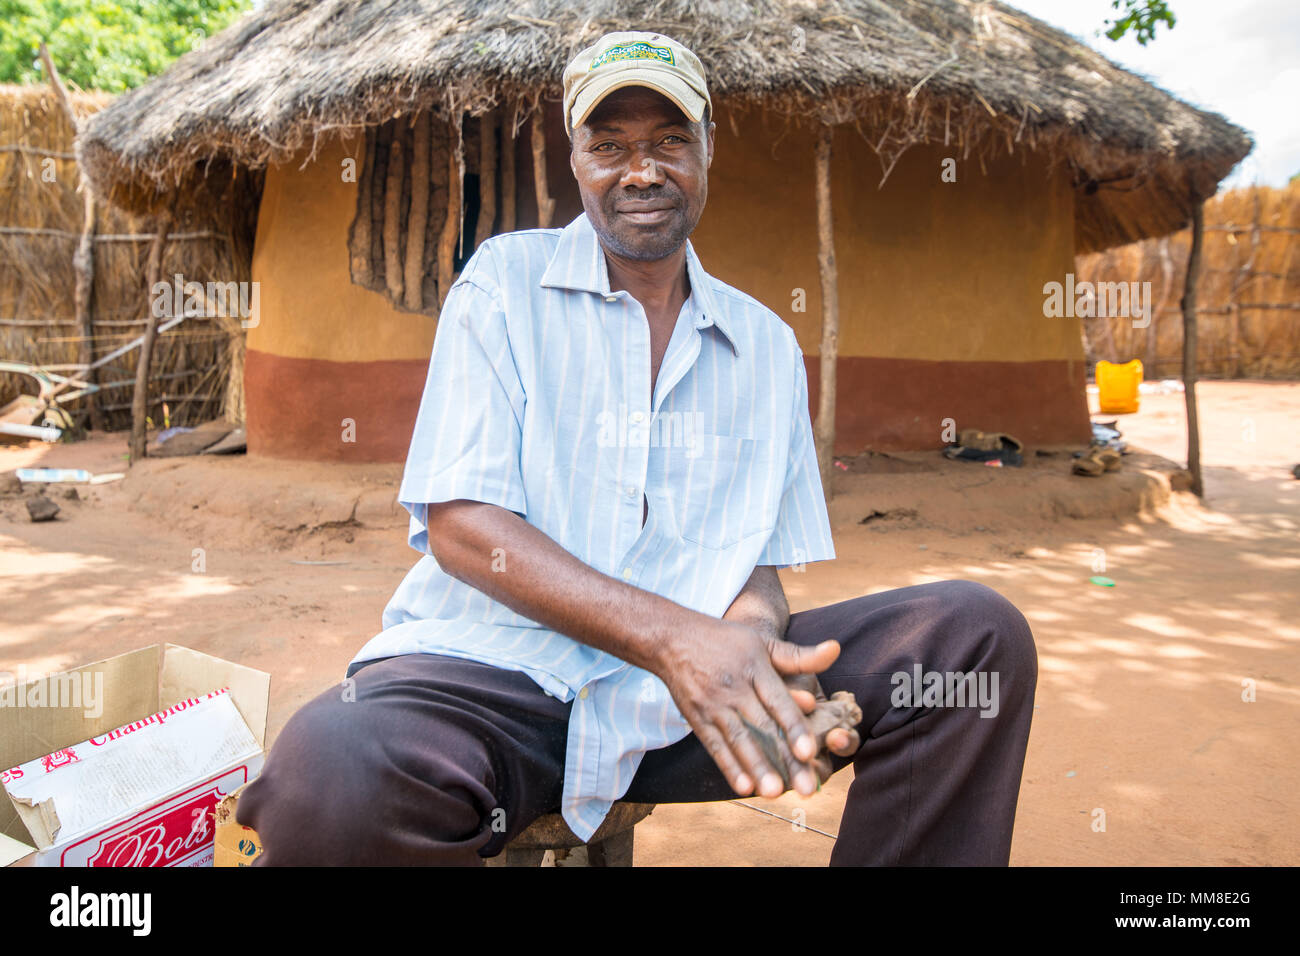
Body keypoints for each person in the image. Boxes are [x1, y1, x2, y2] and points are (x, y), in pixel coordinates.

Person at [237, 30, 1037, 866]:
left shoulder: (763, 345)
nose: (642, 171)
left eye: (668, 141)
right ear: (576, 159)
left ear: (708, 149)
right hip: (497, 679)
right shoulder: (504, 285)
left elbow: (757, 565)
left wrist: (757, 661)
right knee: (329, 773)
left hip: (680, 708)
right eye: (609, 145)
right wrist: (676, 643)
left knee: (974, 641)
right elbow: (463, 526)